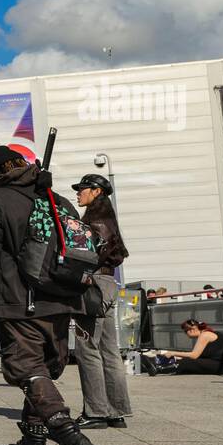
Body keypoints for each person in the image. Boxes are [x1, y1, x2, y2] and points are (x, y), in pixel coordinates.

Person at [0, 146, 102, 445]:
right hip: (61, 298)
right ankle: (34, 444)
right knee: (43, 368)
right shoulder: (55, 198)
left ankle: (72, 440)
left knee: (27, 369)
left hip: (17, 299)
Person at [71, 173, 133, 429]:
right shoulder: (107, 218)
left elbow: (89, 255)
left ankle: (96, 412)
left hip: (93, 284)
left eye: (83, 188)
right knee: (109, 351)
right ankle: (116, 411)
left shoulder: (94, 221)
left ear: (96, 191)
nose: (78, 193)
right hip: (108, 284)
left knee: (87, 349)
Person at [145, 319, 223, 375]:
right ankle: (152, 364)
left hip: (221, 366)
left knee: (187, 362)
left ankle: (158, 369)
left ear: (192, 329)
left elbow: (194, 355)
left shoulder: (205, 335)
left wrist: (172, 353)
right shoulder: (206, 334)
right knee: (183, 361)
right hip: (219, 364)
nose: (186, 334)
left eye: (186, 331)